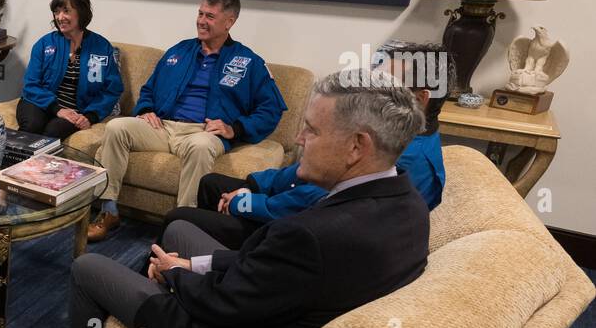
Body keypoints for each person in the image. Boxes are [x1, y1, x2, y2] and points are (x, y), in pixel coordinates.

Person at [68, 70, 429, 328]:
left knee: (87, 266)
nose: (300, 140)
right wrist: (188, 264)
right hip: (269, 305)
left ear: (356, 147)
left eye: (312, 131)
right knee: (179, 230)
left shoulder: (311, 236)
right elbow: (264, 273)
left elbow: (224, 303)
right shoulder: (410, 205)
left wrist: (176, 275)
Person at [153, 41, 451, 256]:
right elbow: (302, 172)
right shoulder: (381, 133)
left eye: (383, 84)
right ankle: (193, 259)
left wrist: (245, 203)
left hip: (292, 227)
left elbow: (313, 200)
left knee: (179, 218)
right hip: (289, 205)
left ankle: (177, 269)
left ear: (420, 99)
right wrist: (256, 185)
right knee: (211, 184)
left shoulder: (400, 158)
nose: (367, 89)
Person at [87, 0, 285, 241]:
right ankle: (108, 210)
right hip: (164, 126)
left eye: (210, 16)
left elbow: (271, 109)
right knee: (117, 127)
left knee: (201, 147)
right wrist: (146, 110)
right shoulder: (179, 51)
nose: (201, 21)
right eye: (200, 13)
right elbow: (149, 89)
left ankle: (181, 229)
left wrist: (235, 128)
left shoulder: (248, 62)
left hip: (202, 133)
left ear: (229, 22)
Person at [17, 0, 123, 140]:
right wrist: (57, 109)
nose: (60, 17)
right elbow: (31, 84)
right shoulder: (45, 44)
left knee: (53, 133)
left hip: (75, 111)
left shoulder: (101, 47)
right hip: (39, 103)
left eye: (66, 11)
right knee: (32, 126)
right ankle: (13, 162)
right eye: (56, 11)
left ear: (81, 12)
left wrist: (91, 116)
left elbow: (112, 89)